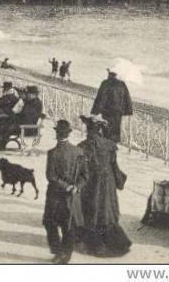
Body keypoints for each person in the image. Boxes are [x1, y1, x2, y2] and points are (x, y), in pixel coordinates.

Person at [77, 115, 132, 257]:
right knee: (106, 211)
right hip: (107, 185)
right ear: (100, 130)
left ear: (88, 130)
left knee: (91, 211)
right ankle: (112, 242)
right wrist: (120, 181)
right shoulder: (109, 145)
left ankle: (94, 243)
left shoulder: (82, 146)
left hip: (90, 185)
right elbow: (114, 167)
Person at [43, 119, 88, 264]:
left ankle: (57, 251)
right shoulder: (78, 151)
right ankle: (65, 255)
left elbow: (51, 176)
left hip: (55, 195)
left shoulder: (52, 153)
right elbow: (85, 175)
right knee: (68, 225)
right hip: (72, 196)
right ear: (69, 134)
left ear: (56, 134)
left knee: (50, 222)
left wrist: (65, 186)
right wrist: (76, 187)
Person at [91, 69, 133, 143]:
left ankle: (107, 146)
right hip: (118, 112)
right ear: (116, 75)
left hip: (107, 112)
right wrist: (128, 110)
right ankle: (113, 146)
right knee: (115, 130)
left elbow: (101, 97)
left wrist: (96, 111)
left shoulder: (105, 83)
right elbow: (127, 98)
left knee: (106, 130)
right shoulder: (122, 84)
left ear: (109, 75)